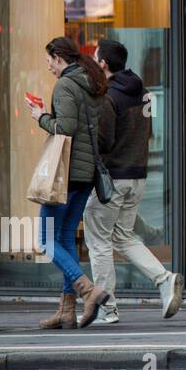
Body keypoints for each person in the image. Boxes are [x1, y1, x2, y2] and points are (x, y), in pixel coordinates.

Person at [83, 39, 184, 323]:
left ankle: (107, 306)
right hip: (137, 176)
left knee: (99, 241)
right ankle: (164, 279)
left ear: (103, 63)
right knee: (123, 236)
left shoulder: (108, 98)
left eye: (95, 57)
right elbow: (147, 133)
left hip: (112, 178)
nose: (93, 61)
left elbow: (104, 142)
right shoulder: (144, 93)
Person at [26, 37, 116, 329]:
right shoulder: (90, 82)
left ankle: (88, 290)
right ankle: (66, 310)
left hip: (65, 173)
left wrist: (41, 117)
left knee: (46, 239)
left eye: (49, 61)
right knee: (65, 237)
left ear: (57, 57)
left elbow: (65, 128)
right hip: (85, 173)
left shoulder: (66, 85)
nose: (49, 67)